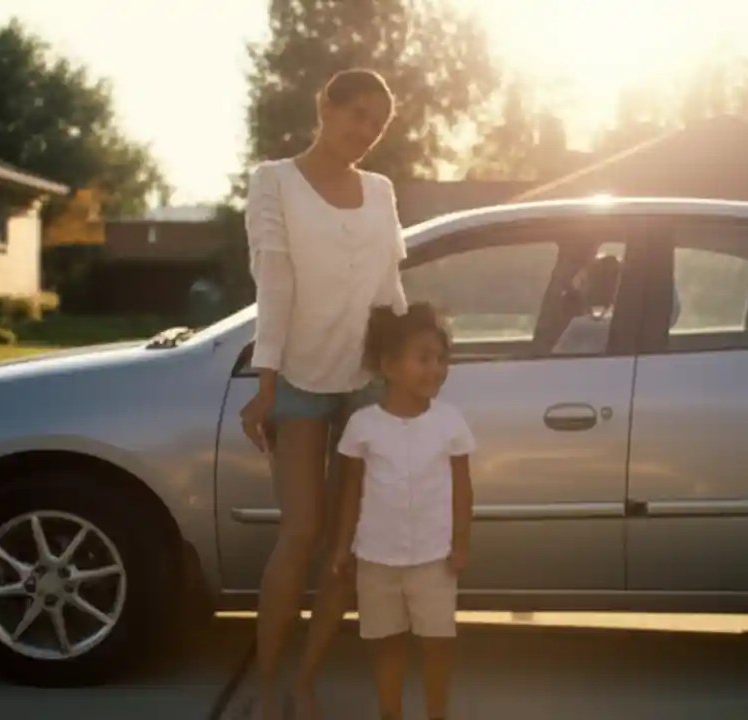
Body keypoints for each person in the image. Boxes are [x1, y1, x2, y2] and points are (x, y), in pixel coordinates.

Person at [238, 68, 407, 720]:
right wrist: (266, 383)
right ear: (325, 106)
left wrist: (405, 374)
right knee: (301, 531)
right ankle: (268, 681)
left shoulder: (382, 190)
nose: (364, 132)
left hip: (366, 384)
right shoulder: (273, 181)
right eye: (357, 115)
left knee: (345, 546)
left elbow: (389, 288)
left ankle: (306, 682)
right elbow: (273, 282)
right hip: (302, 384)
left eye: (377, 124)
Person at [331, 303, 476, 720]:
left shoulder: (450, 423)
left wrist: (461, 544)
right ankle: (390, 713)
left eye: (441, 358)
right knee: (387, 644)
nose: (436, 369)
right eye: (424, 358)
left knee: (436, 645)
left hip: (435, 560)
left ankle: (436, 714)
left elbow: (463, 491)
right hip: (376, 560)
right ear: (389, 366)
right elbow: (351, 491)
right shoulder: (363, 425)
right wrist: (343, 547)